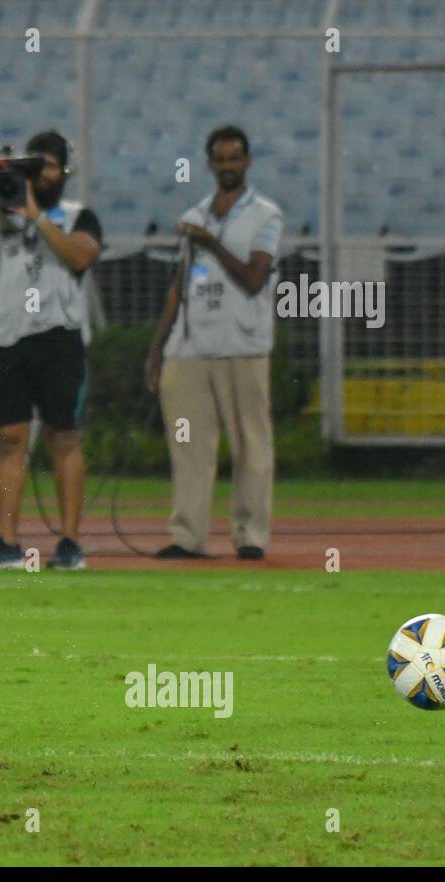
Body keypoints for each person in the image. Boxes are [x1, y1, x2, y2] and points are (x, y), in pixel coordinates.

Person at [0, 131, 102, 570]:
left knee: (64, 435)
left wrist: (38, 216)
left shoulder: (79, 215)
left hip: (59, 337)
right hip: (6, 338)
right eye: (35, 167)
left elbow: (81, 257)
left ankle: (70, 543)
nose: (43, 175)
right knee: (9, 439)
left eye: (50, 167)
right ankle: (6, 542)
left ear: (64, 171)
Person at [144, 125, 282, 560]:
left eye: (235, 158)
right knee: (189, 448)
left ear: (247, 161)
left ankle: (251, 536)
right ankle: (187, 536)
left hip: (243, 346)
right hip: (189, 348)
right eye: (220, 159)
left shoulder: (265, 215)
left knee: (251, 445)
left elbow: (255, 278)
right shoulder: (197, 215)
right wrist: (156, 350)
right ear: (209, 164)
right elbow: (177, 288)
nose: (227, 166)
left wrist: (212, 243)